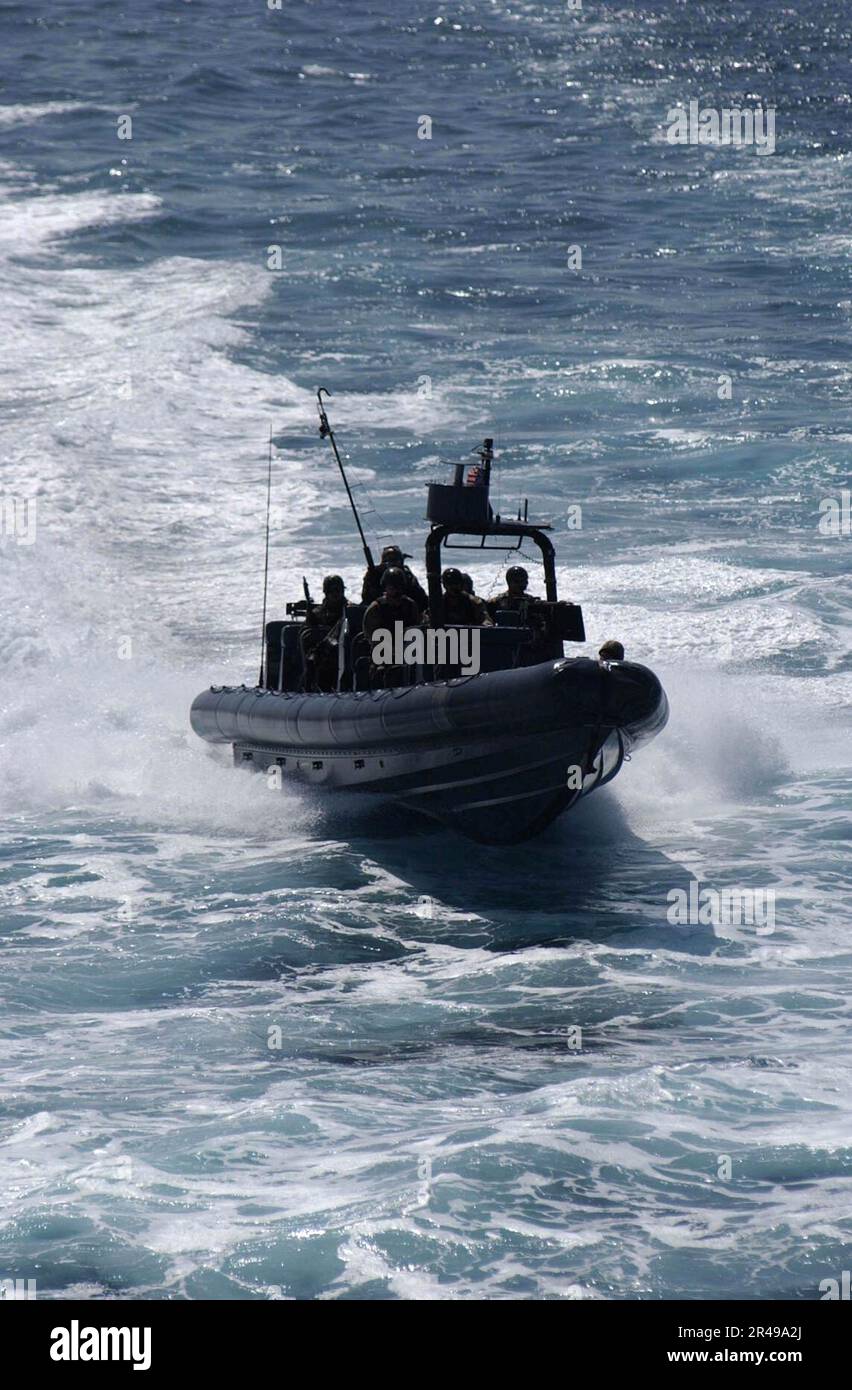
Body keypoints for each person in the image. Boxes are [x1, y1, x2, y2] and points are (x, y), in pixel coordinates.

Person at [362, 568, 421, 687]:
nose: (396, 591)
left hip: (408, 651)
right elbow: (372, 637)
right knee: (382, 671)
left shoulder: (410, 606)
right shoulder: (376, 608)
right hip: (383, 654)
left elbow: (417, 630)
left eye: (398, 587)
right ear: (386, 588)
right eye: (392, 587)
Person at [301, 575, 347, 691]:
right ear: (326, 593)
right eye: (332, 591)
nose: (336, 594)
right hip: (323, 659)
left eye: (339, 590)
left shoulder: (349, 611)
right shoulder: (317, 614)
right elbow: (306, 635)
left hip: (343, 654)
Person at [361, 544, 428, 614]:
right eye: (388, 561)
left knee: (398, 620)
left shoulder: (407, 576)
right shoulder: (375, 575)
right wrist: (370, 580)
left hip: (402, 617)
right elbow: (366, 598)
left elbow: (422, 601)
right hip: (381, 616)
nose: (392, 564)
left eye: (395, 561)